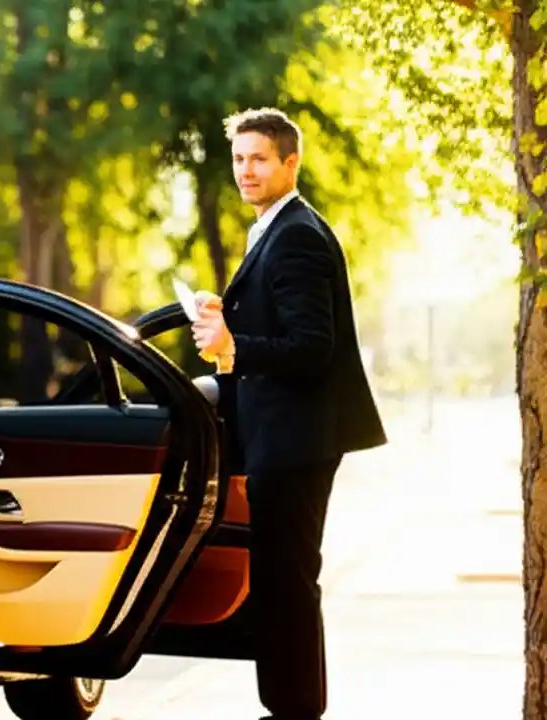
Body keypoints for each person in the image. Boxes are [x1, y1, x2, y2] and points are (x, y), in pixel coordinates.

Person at [191, 107, 387, 720]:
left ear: (290, 163)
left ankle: (295, 711)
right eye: (238, 159)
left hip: (297, 439)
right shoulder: (275, 228)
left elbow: (311, 346)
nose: (245, 171)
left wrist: (233, 344)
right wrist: (227, 319)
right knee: (280, 580)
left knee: (288, 581)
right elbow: (281, 326)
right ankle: (291, 708)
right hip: (283, 436)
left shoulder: (296, 234)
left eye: (259, 159)